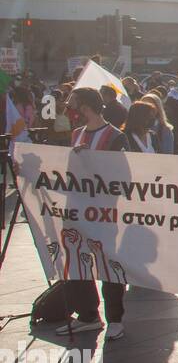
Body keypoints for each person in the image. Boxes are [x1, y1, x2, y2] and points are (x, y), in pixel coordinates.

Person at [56, 88, 129, 340]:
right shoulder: (76, 134)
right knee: (77, 261)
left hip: (104, 213)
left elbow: (122, 177)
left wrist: (90, 162)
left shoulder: (115, 137)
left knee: (109, 264)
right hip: (76, 212)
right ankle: (88, 315)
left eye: (72, 105)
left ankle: (115, 319)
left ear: (85, 107)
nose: (69, 110)